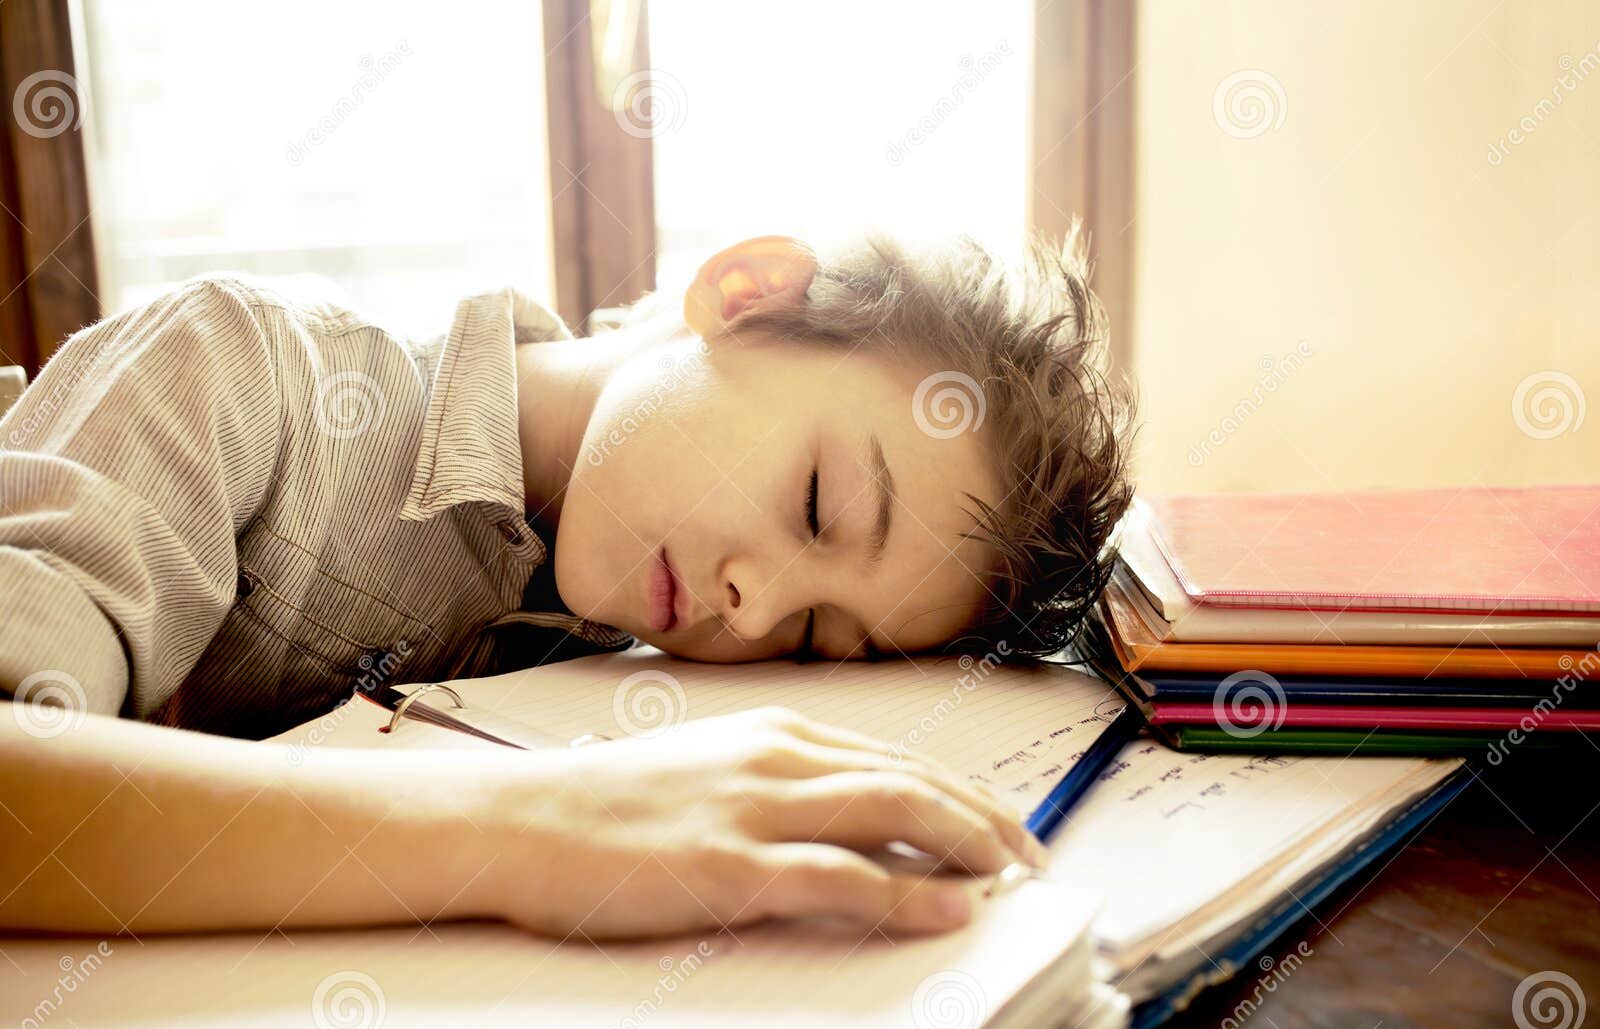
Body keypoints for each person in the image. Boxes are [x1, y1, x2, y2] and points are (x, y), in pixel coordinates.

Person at [0, 229, 1134, 940]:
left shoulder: (611, 645)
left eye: (823, 637)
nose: (756, 606)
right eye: (816, 507)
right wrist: (538, 829)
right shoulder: (241, 370)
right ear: (746, 292)